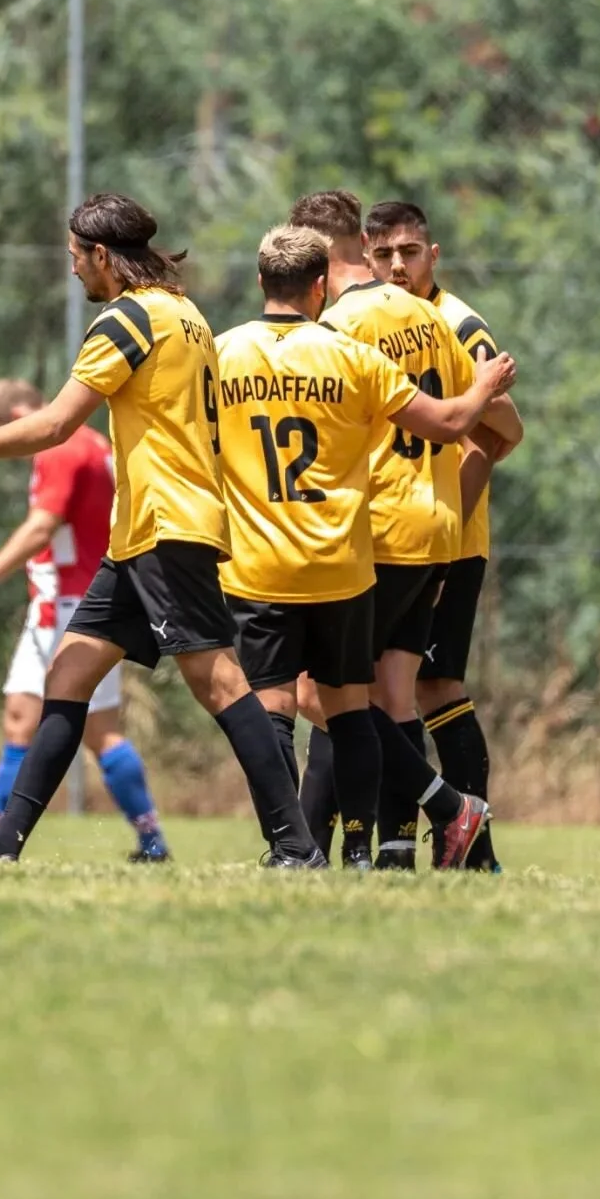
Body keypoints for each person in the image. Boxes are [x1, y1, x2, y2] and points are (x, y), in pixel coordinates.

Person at [0, 193, 324, 868]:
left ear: (103, 255)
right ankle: (3, 843)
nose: (73, 269)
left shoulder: (127, 320)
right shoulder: (186, 314)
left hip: (167, 526)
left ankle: (296, 843)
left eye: (77, 257)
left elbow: (54, 424)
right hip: (145, 531)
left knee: (219, 681)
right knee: (70, 672)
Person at [215, 225, 517, 868]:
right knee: (365, 701)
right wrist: (483, 389)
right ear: (319, 282)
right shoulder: (395, 336)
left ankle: (304, 845)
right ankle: (381, 852)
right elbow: (459, 425)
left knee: (293, 700)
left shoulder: (227, 352)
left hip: (285, 554)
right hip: (364, 551)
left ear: (261, 282)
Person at [0, 377, 170, 863]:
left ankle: (151, 842)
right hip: (60, 603)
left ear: (18, 415)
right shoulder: (93, 442)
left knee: (100, 730)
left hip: (73, 605)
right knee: (23, 720)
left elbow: (42, 525)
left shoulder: (62, 449)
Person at [365, 199, 524, 872]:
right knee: (395, 689)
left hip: (445, 543)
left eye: (409, 251)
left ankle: (474, 848)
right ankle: (403, 846)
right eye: (384, 254)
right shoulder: (382, 319)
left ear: (434, 256)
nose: (397, 265)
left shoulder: (456, 324)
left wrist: (446, 515)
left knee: (435, 690)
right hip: (405, 536)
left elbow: (504, 427)